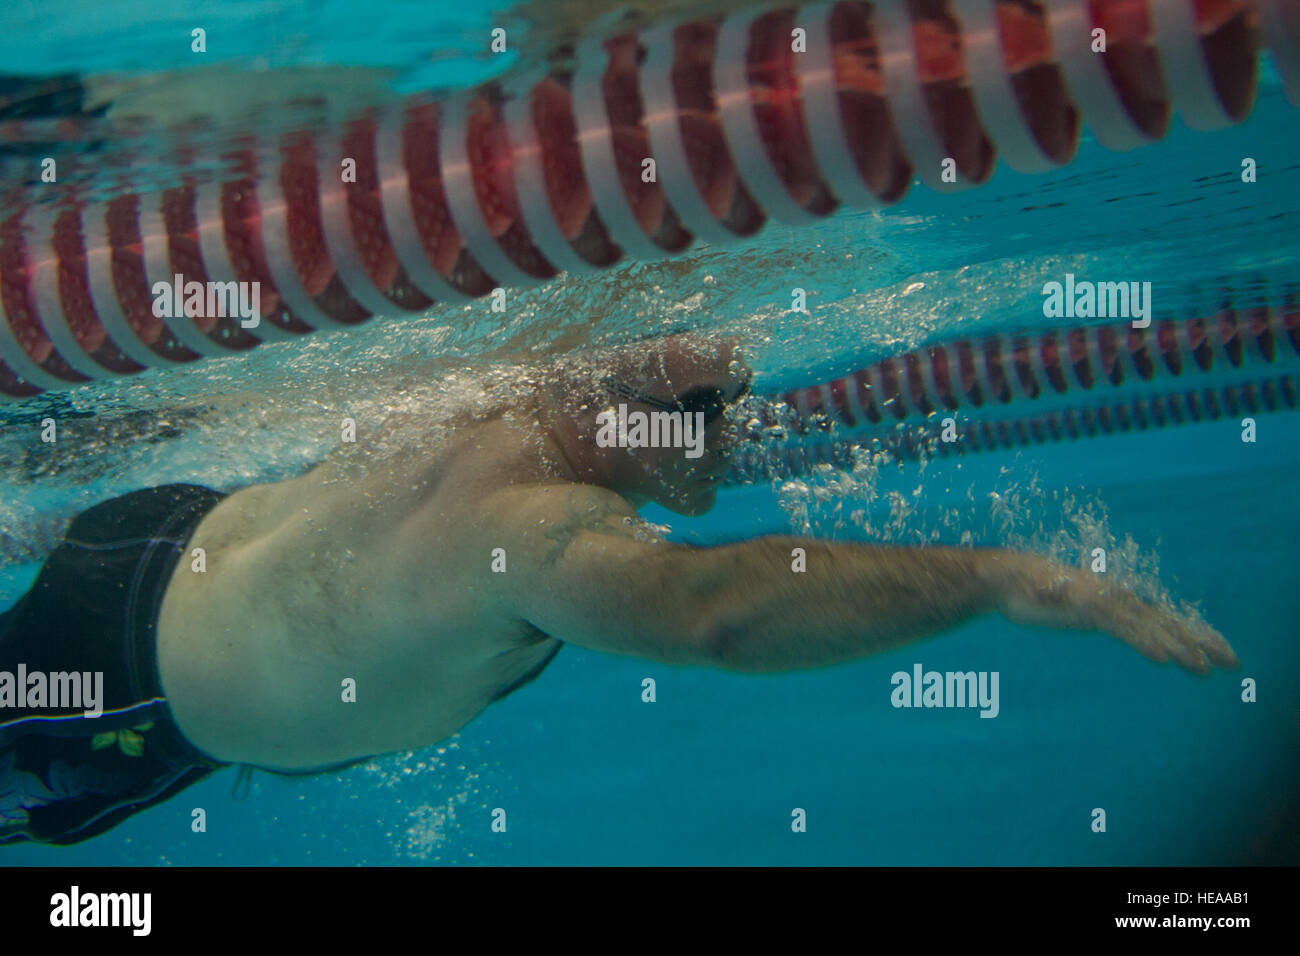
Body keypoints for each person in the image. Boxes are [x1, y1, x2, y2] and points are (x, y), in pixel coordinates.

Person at [0, 335, 1237, 845]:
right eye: (712, 405)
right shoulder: (538, 528)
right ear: (625, 397)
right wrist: (996, 582)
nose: (731, 430)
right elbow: (716, 611)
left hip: (166, 551)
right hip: (115, 689)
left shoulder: (500, 391)